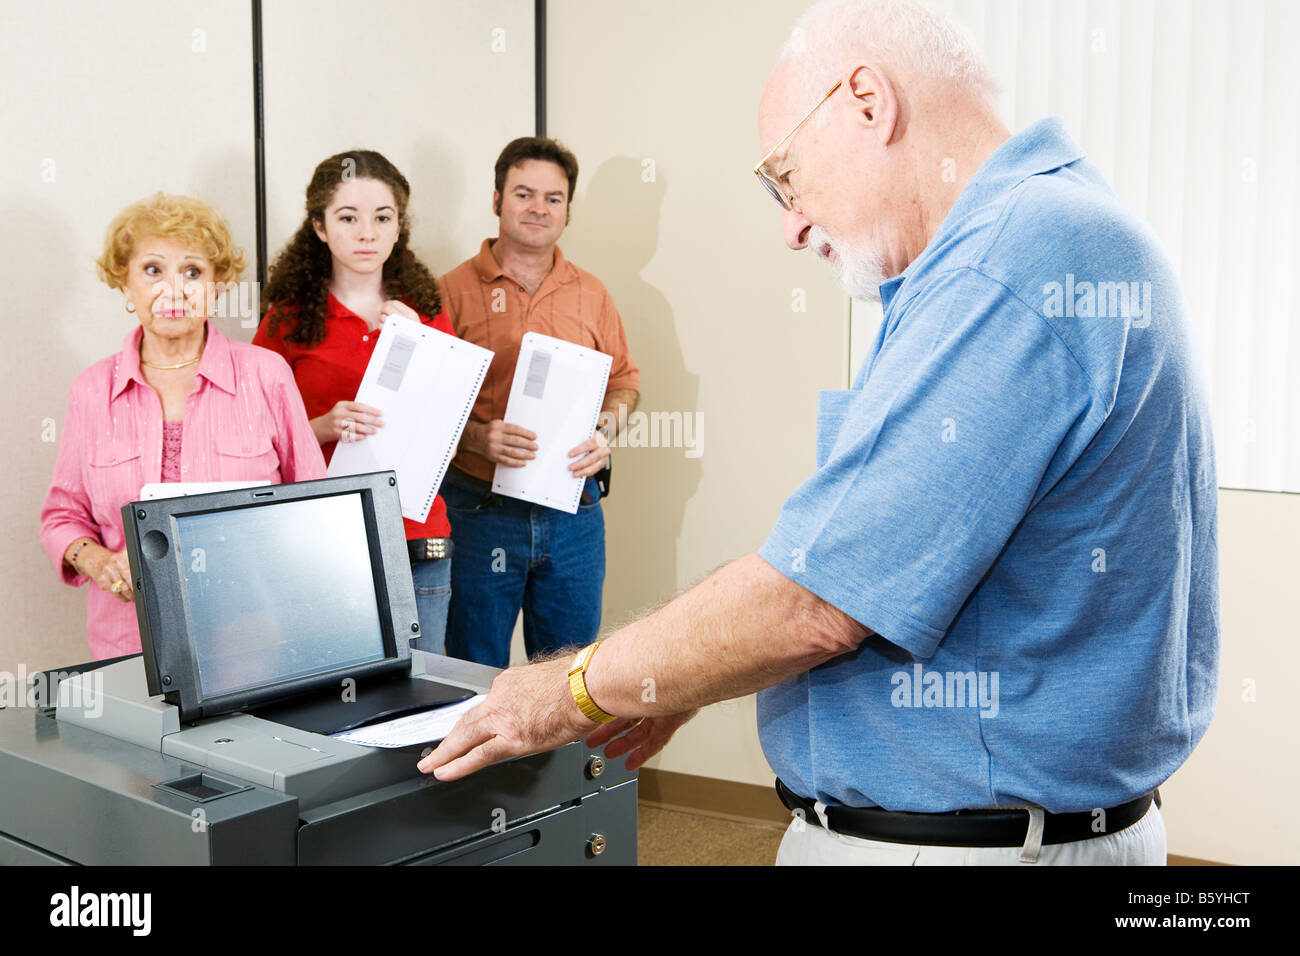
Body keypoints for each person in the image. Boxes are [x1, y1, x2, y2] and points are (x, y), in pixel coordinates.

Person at [418, 0, 1219, 868]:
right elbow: (839, 556)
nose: (792, 226)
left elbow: (815, 603)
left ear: (869, 101)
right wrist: (687, 669)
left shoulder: (1012, 262)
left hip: (962, 847)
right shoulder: (1026, 246)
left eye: (785, 177)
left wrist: (570, 691)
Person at [41, 193, 326, 660]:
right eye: (153, 270)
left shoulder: (266, 374)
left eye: (192, 272)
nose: (174, 289)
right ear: (125, 284)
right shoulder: (90, 391)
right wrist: (97, 561)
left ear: (216, 284)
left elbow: (315, 504)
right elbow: (60, 516)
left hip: (256, 634)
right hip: (129, 641)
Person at [437, 137, 640, 667]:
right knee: (473, 675)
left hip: (574, 511)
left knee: (568, 680)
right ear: (497, 199)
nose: (538, 208)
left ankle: (560, 758)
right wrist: (478, 436)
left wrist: (605, 433)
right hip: (479, 509)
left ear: (568, 211)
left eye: (554, 198)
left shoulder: (591, 293)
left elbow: (625, 381)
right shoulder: (450, 291)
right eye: (524, 193)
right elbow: (427, 405)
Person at [253, 150, 457, 655]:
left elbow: (452, 429)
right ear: (320, 227)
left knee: (424, 696)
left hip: (417, 535)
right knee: (327, 699)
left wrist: (423, 351)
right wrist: (319, 427)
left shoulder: (428, 315)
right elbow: (250, 434)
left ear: (398, 228)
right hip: (322, 537)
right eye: (348, 218)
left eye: (381, 218)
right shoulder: (287, 319)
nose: (367, 233)